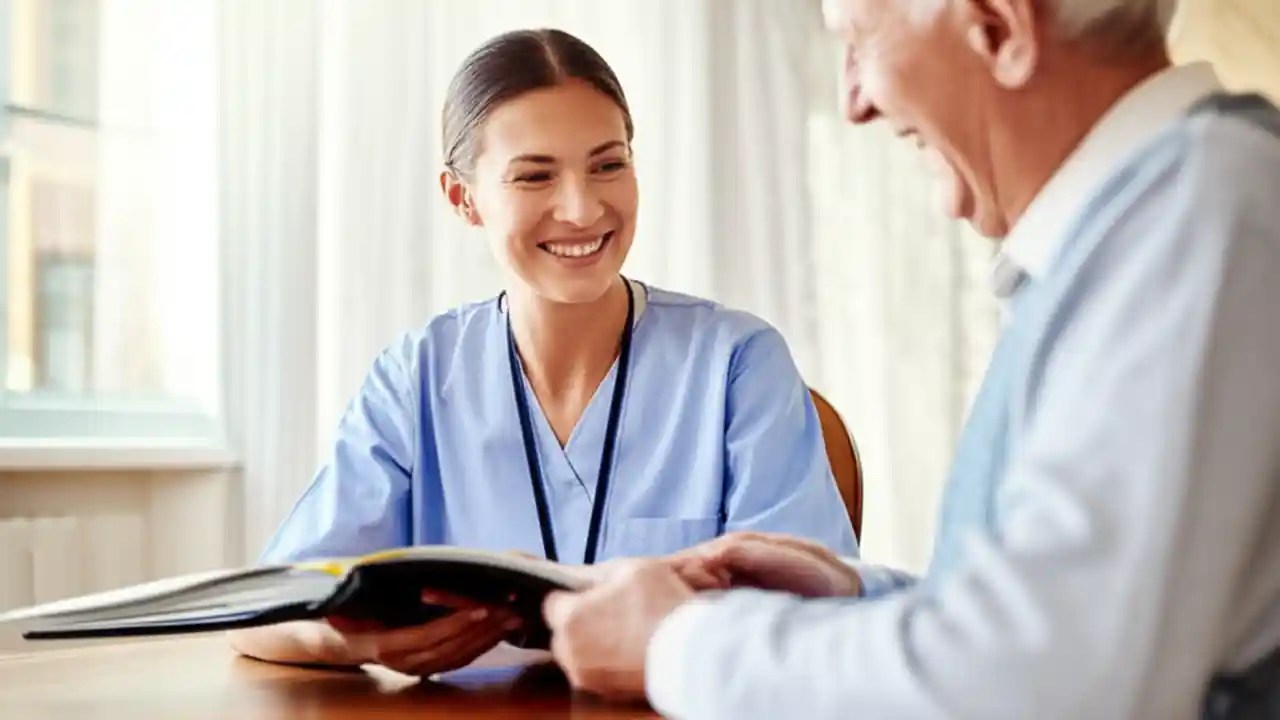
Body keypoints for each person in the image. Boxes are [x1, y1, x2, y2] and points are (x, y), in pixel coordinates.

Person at [542, 0, 1280, 717]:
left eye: (859, 43)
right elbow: (1066, 626)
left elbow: (1046, 684)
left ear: (999, 28)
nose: (853, 101)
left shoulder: (1203, 213)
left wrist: (676, 645)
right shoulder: (1148, 225)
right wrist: (851, 596)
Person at [227, 28, 857, 679]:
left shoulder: (737, 365)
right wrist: (360, 647)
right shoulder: (416, 376)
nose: (583, 209)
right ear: (462, 198)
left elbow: (819, 615)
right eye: (534, 176)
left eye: (609, 165)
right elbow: (270, 611)